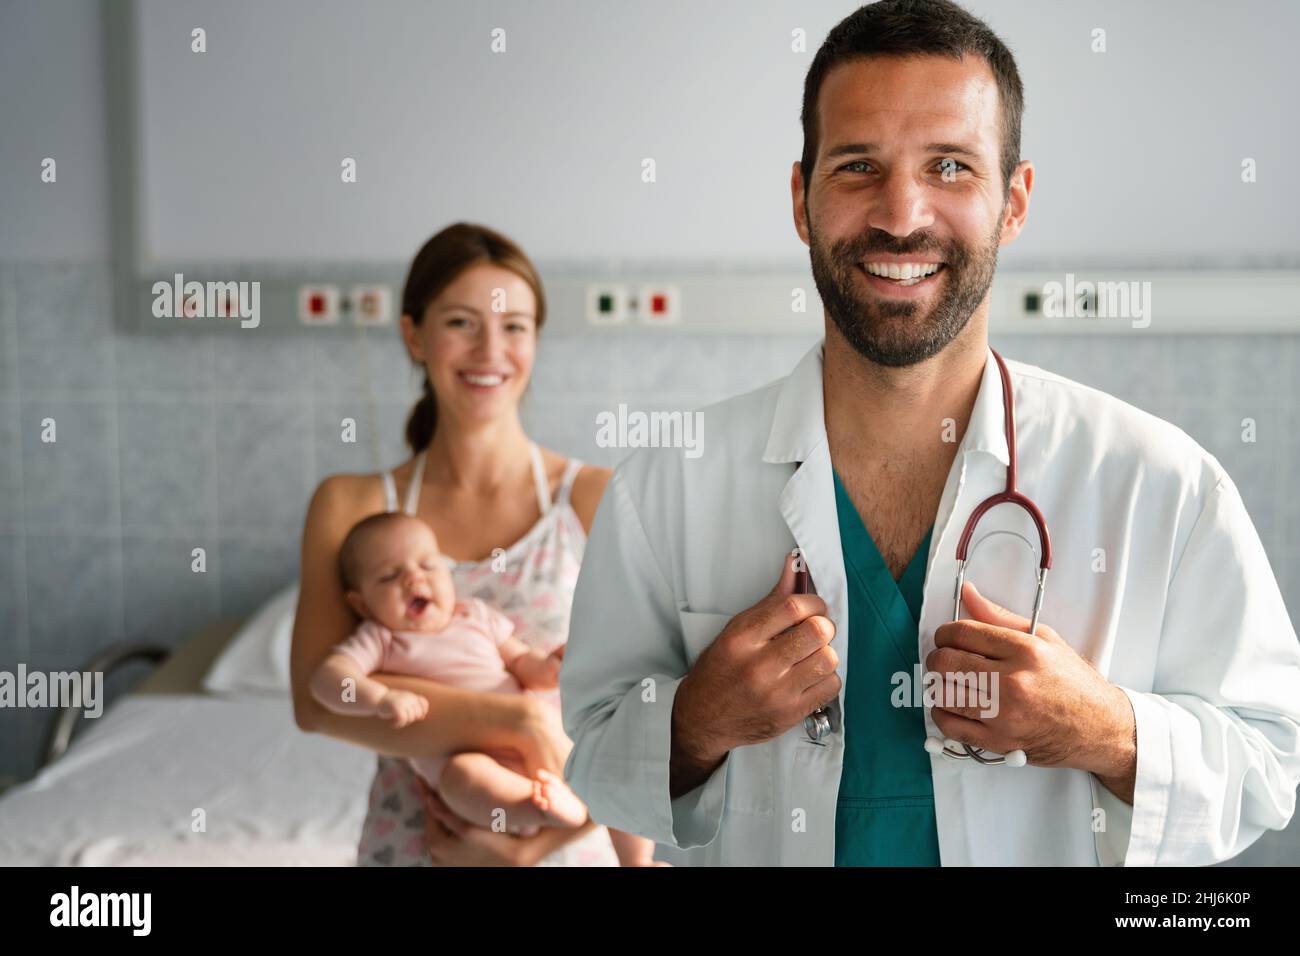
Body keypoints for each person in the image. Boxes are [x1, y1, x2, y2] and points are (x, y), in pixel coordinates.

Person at [559, 0, 1300, 866]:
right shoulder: (666, 487)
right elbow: (595, 760)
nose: (901, 214)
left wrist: (1103, 729)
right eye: (857, 167)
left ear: (1014, 201)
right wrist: (696, 723)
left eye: (949, 166)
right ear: (801, 200)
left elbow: (1271, 763)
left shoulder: (1160, 481)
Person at [291, 222, 620, 866]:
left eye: (514, 326)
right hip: (414, 842)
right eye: (462, 323)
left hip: (562, 843)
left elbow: (651, 705)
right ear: (414, 334)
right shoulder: (352, 507)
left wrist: (534, 849)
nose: (490, 350)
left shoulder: (593, 498)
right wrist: (514, 720)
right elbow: (318, 703)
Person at [309, 511, 657, 864]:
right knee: (462, 778)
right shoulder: (382, 640)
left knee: (613, 765)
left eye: (428, 565)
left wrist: (550, 668)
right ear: (362, 604)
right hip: (478, 771)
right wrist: (378, 698)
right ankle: (539, 807)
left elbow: (522, 662)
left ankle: (637, 860)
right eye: (389, 575)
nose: (414, 578)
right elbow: (327, 681)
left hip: (544, 747)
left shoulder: (475, 616)